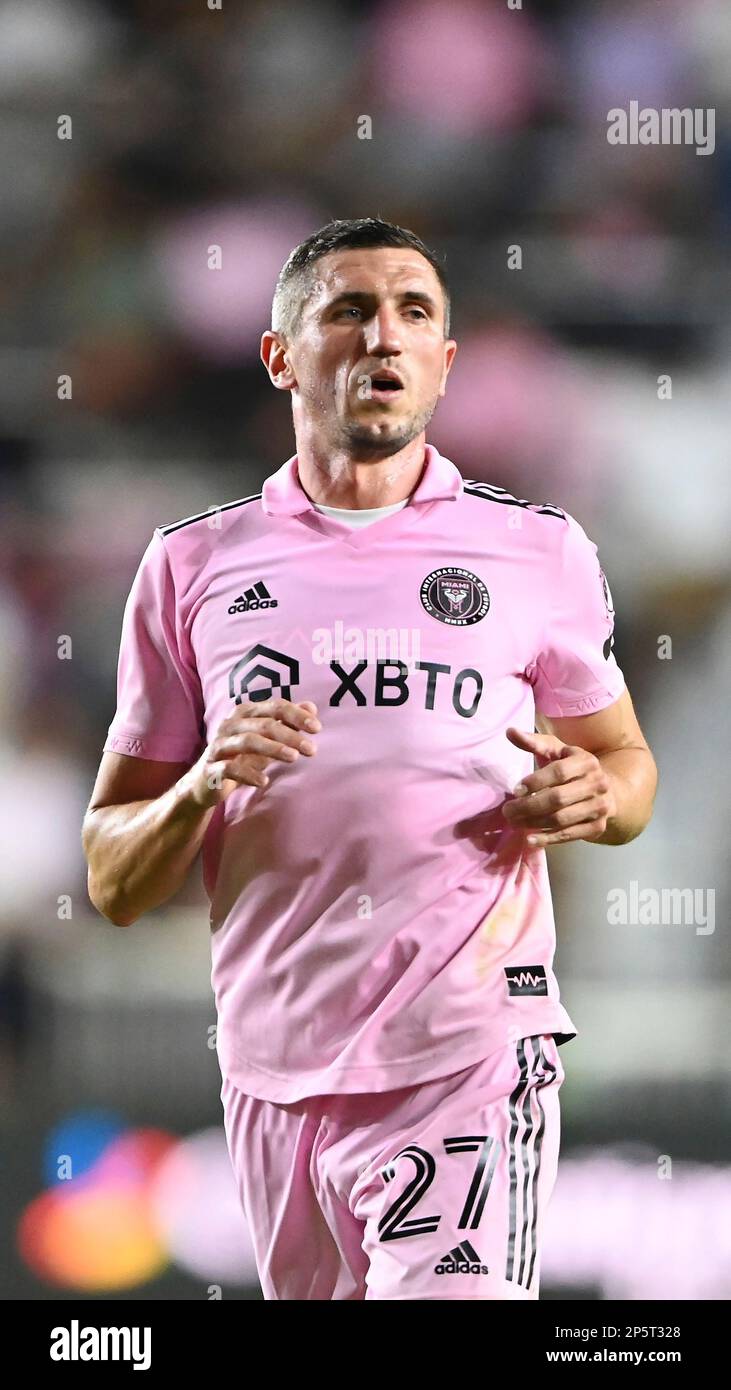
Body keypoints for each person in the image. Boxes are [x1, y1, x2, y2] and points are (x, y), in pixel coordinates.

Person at [82, 217, 657, 1300]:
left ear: (443, 365)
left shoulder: (537, 551)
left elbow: (623, 767)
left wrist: (599, 794)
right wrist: (204, 780)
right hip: (272, 1067)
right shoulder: (190, 565)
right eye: (347, 310)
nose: (380, 336)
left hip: (468, 1047)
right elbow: (113, 878)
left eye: (412, 313)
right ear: (281, 356)